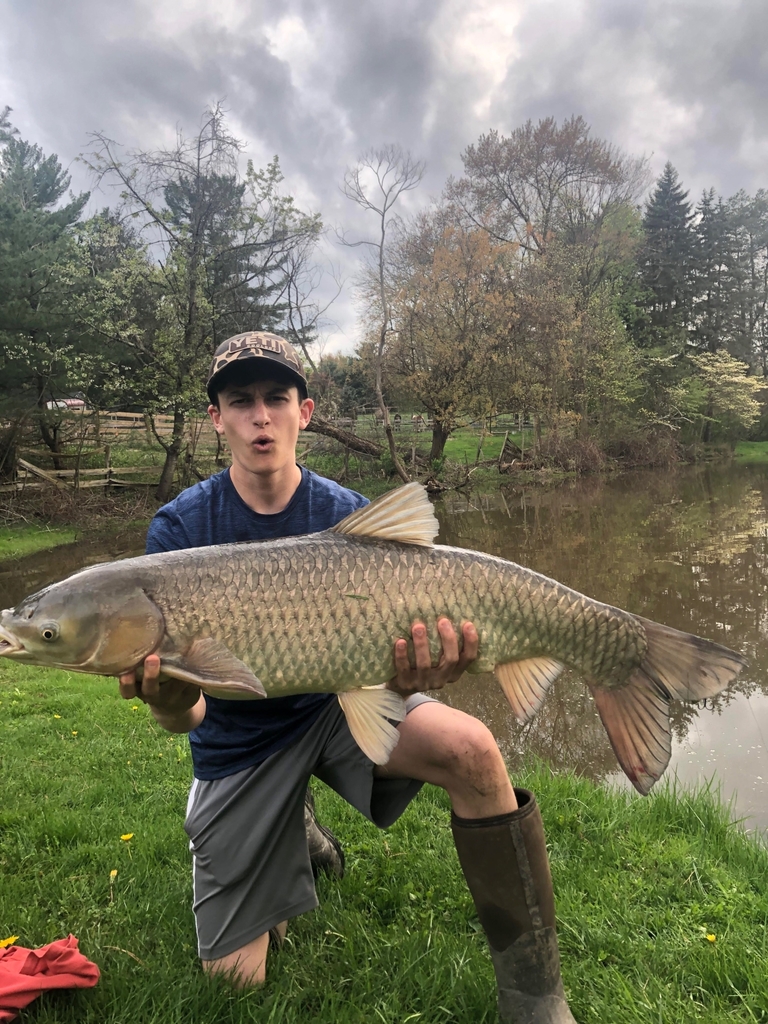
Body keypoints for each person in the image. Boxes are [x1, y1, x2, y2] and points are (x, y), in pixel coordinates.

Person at [118, 331, 577, 1024]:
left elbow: (382, 677)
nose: (260, 417)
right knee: (232, 982)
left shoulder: (344, 514)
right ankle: (290, 821)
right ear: (216, 418)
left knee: (476, 750)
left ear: (306, 411)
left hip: (337, 707)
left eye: (277, 398)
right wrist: (170, 700)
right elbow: (187, 720)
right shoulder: (179, 532)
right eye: (241, 401)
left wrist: (424, 675)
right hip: (240, 743)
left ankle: (537, 995)